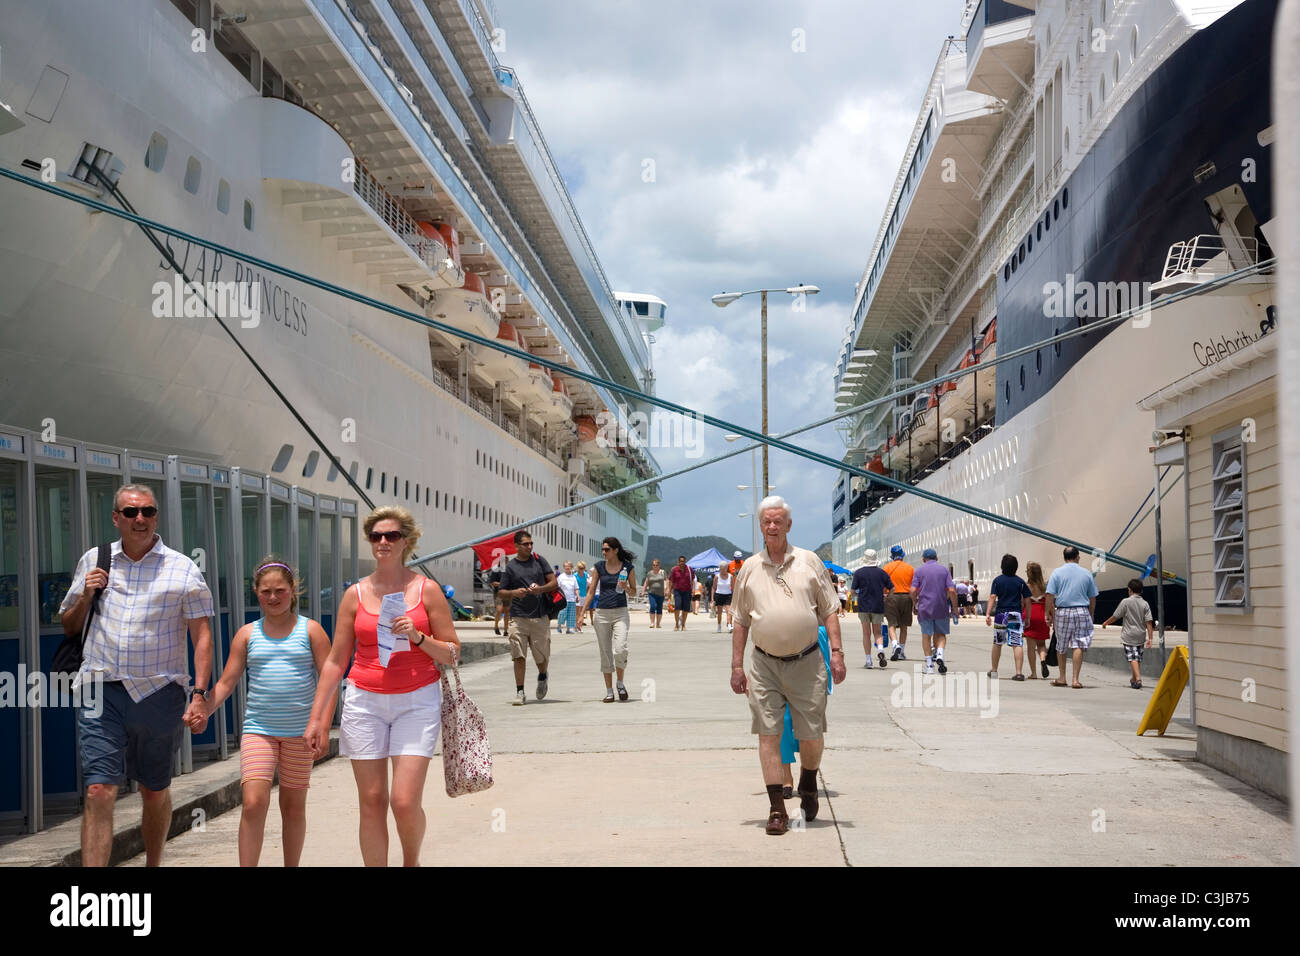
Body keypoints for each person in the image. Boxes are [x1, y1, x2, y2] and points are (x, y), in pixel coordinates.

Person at [59, 484, 214, 867]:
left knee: (154, 790)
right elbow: (68, 627)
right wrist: (85, 596)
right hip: (101, 689)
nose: (139, 519)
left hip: (159, 692)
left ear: (156, 516)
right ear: (116, 518)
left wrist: (199, 693)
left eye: (147, 511)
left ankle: (154, 862)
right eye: (130, 513)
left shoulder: (183, 568)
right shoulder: (95, 561)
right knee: (98, 790)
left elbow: (203, 636)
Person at [304, 507, 459, 866]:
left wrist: (418, 637)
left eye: (391, 536)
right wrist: (318, 719)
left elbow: (452, 652)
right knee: (371, 800)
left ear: (406, 542)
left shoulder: (427, 590)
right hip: (364, 702)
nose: (383, 542)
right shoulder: (354, 595)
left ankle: (411, 860)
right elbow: (334, 660)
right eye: (376, 537)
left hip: (416, 701)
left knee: (403, 801)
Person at [198, 558, 330, 866]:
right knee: (254, 803)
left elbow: (329, 680)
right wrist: (204, 707)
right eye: (266, 591)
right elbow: (227, 681)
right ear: (256, 592)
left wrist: (322, 727)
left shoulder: (311, 631)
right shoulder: (247, 634)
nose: (273, 597)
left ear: (293, 590)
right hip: (259, 730)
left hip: (301, 733)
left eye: (280, 591)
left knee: (293, 806)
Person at [730, 496, 845, 836]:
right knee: (768, 734)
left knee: (811, 733)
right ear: (761, 526)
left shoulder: (809, 562)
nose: (772, 526)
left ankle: (808, 783)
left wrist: (836, 653)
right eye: (767, 521)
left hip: (808, 662)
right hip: (764, 664)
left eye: (778, 521)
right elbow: (739, 621)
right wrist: (737, 666)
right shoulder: (749, 568)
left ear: (789, 524)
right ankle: (777, 808)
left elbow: (830, 610)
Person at [496, 530, 558, 705]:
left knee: (542, 657)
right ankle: (520, 692)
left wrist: (540, 589)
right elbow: (501, 592)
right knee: (518, 655)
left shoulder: (539, 561)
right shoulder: (511, 567)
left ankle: (543, 675)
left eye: (531, 544)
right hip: (518, 617)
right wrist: (514, 593)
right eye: (526, 544)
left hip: (539, 616)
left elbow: (554, 582)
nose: (529, 547)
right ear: (516, 546)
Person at [580, 536, 637, 702]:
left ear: (615, 550)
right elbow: (591, 592)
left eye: (607, 549)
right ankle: (609, 691)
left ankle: (620, 683)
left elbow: (633, 592)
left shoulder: (628, 567)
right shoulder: (599, 567)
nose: (603, 552)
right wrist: (582, 612)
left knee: (620, 649)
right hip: (602, 613)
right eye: (603, 549)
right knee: (605, 653)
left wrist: (625, 587)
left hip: (620, 612)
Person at [1045, 546, 1099, 688]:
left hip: (1063, 611)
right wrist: (1091, 613)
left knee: (1061, 645)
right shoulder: (1087, 573)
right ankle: (1075, 680)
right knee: (1078, 644)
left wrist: (1047, 613)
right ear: (1077, 557)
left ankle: (1062, 678)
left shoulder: (1057, 573)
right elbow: (1092, 597)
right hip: (1082, 611)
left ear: (1064, 557)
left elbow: (1049, 594)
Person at [909, 548, 958, 675]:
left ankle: (929, 666)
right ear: (937, 558)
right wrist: (955, 608)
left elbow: (913, 590)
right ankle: (940, 654)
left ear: (923, 559)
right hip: (941, 607)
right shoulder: (944, 570)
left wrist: (914, 603)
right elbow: (952, 591)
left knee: (926, 635)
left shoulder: (919, 571)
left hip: (925, 608)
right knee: (941, 634)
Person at [1101, 578, 1154, 689]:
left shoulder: (1126, 602)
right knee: (1137, 658)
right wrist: (1150, 638)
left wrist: (1106, 622)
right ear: (1141, 591)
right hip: (1141, 635)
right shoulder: (1145, 604)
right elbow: (1149, 622)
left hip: (1128, 635)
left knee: (1132, 658)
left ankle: (1138, 679)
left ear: (1129, 590)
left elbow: (1116, 616)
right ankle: (1134, 679)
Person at [986, 554, 1032, 681]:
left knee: (998, 642)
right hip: (1015, 615)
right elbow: (1028, 600)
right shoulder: (1020, 582)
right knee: (1017, 643)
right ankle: (1018, 673)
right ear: (1016, 567)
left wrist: (988, 613)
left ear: (1002, 566)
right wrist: (1027, 617)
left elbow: (992, 597)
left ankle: (994, 671)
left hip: (1001, 615)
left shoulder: (997, 580)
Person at [851, 548, 892, 669]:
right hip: (878, 605)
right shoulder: (882, 573)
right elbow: (892, 588)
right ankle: (880, 650)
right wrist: (886, 596)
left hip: (863, 606)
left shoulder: (859, 573)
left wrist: (858, 595)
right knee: (878, 632)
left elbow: (852, 591)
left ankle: (868, 660)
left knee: (866, 633)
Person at [881, 546, 915, 661]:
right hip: (906, 597)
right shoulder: (910, 568)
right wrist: (915, 602)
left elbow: (883, 585)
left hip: (891, 597)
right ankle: (902, 651)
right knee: (904, 626)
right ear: (903, 555)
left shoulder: (886, 567)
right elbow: (913, 587)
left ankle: (895, 645)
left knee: (892, 624)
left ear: (892, 556)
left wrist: (883, 597)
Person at [1024, 561, 1052, 678]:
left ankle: (1034, 673)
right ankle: (1043, 659)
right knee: (1041, 644)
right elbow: (1050, 603)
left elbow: (1022, 603)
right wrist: (1051, 616)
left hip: (1030, 616)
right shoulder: (1045, 587)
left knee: (1031, 648)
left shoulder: (1026, 586)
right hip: (1042, 616)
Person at [669, 556, 693, 631]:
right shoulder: (674, 570)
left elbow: (692, 580)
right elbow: (671, 581)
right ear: (678, 562)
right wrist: (669, 591)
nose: (682, 563)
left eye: (683, 561)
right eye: (681, 561)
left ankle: (683, 625)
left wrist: (693, 590)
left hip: (687, 591)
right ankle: (676, 624)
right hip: (677, 591)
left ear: (685, 561)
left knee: (686, 609)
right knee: (677, 607)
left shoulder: (689, 569)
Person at [642, 558, 667, 628]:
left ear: (659, 565)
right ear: (652, 565)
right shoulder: (649, 573)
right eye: (653, 565)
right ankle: (652, 623)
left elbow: (667, 581)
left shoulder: (662, 572)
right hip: (652, 593)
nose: (655, 566)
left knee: (659, 608)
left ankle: (658, 623)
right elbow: (646, 582)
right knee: (652, 607)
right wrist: (643, 591)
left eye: (656, 565)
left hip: (661, 593)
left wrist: (667, 590)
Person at [556, 561, 579, 635]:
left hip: (571, 599)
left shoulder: (573, 577)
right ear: (564, 567)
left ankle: (568, 629)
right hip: (563, 599)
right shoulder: (561, 576)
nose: (567, 567)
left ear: (571, 567)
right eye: (566, 566)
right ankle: (559, 626)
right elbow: (557, 587)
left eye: (569, 566)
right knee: (562, 614)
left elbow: (576, 588)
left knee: (571, 615)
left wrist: (578, 596)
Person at [712, 561, 735, 632]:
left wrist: (734, 597)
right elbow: (714, 588)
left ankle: (729, 625)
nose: (723, 570)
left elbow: (733, 587)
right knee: (719, 612)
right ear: (719, 569)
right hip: (719, 595)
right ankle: (719, 626)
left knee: (729, 611)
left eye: (724, 568)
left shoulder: (730, 576)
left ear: (727, 568)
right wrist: (712, 599)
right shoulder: (717, 577)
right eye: (721, 569)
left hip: (728, 595)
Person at [574, 561, 589, 632]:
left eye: (583, 568)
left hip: (584, 595)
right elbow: (573, 586)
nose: (581, 569)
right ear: (577, 568)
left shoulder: (586, 575)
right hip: (577, 595)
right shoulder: (575, 575)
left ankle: (579, 626)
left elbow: (588, 585)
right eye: (580, 568)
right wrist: (576, 595)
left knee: (582, 612)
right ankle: (577, 626)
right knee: (578, 612)